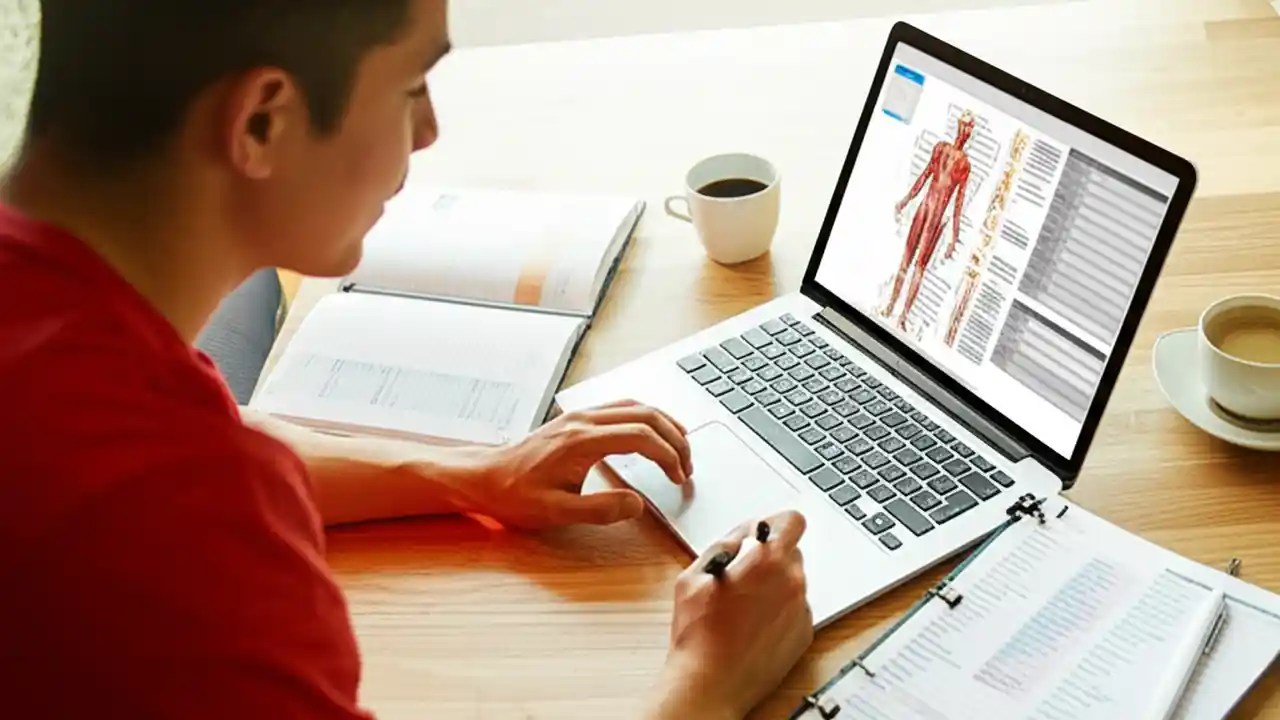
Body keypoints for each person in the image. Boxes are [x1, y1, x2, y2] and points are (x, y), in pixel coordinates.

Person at [0, 1, 813, 719]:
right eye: (411, 87)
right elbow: (182, 482)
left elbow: (215, 428)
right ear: (261, 124)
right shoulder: (183, 538)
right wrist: (706, 686)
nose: (428, 132)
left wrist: (470, 473)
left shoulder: (64, 323)